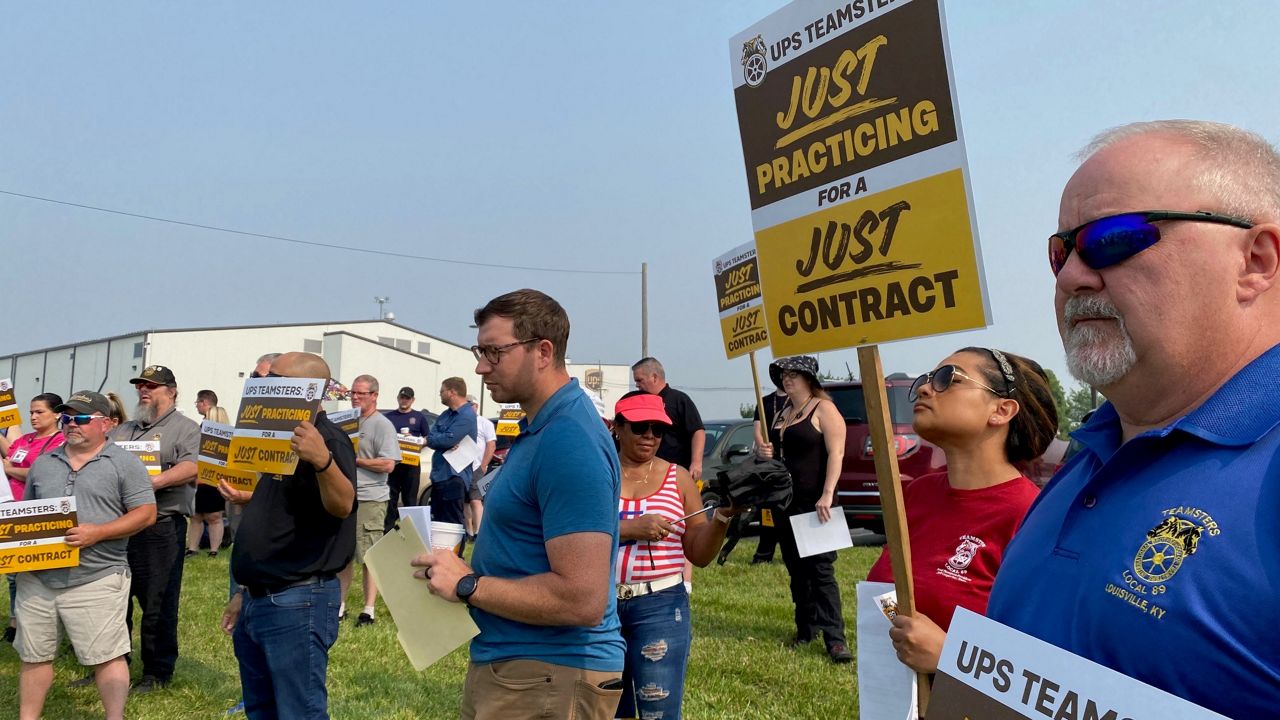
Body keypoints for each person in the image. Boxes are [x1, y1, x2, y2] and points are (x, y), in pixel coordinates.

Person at [984, 120, 1280, 718]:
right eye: (1060, 251)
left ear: (1257, 260)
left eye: (1114, 239)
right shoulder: (1090, 454)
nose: (1071, 277)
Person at [413, 289, 625, 720]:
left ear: (542, 352)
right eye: (480, 350)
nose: (480, 366)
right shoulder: (541, 429)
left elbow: (582, 598)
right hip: (527, 670)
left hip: (550, 673)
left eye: (494, 352)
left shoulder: (569, 438)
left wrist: (469, 584)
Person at [866, 348, 1057, 673]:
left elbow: (1047, 661)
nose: (925, 388)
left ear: (1002, 410)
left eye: (946, 379)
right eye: (925, 380)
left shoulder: (1034, 517)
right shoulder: (918, 494)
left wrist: (950, 657)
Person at [218, 351, 358, 720]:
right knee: (262, 709)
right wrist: (243, 592)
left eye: (270, 379)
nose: (259, 385)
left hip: (298, 599)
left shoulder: (329, 439)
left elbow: (344, 504)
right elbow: (287, 502)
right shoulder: (279, 436)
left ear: (306, 389)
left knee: (299, 711)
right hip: (260, 597)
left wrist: (321, 460)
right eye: (259, 377)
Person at [16, 391, 156, 720]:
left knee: (107, 655)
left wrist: (98, 532)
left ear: (106, 424)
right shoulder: (43, 462)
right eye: (66, 418)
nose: (71, 425)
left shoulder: (124, 463)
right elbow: (25, 515)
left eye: (80, 419)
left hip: (96, 575)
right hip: (38, 578)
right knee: (34, 655)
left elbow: (146, 513)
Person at [612, 392, 743, 719]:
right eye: (641, 427)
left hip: (660, 604)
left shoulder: (678, 477)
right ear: (618, 427)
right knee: (608, 707)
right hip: (598, 603)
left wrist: (724, 517)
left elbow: (698, 553)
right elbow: (574, 531)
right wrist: (629, 529)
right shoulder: (598, 472)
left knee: (659, 707)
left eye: (658, 430)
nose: (650, 437)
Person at [757, 355, 851, 663]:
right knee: (796, 569)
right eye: (784, 374)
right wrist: (768, 450)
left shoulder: (824, 408)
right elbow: (779, 453)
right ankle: (805, 628)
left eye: (794, 374)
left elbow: (836, 453)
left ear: (808, 378)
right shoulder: (783, 412)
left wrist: (827, 494)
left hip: (816, 502)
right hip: (786, 501)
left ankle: (835, 639)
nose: (787, 379)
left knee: (821, 571)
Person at [113, 364, 200, 693]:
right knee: (115, 600)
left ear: (171, 391)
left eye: (151, 386)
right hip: (120, 526)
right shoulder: (124, 430)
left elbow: (192, 466)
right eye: (140, 385)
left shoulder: (185, 428)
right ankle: (112, 665)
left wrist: (152, 482)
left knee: (157, 602)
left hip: (160, 525)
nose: (144, 391)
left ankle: (156, 672)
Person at [3, 393, 67, 642]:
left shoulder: (60, 441)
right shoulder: (26, 439)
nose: (33, 417)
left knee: (38, 572)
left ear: (57, 414)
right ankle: (15, 621)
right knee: (13, 573)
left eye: (39, 412)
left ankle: (46, 624)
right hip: (13, 509)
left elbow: (41, 472)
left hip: (39, 512)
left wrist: (10, 469)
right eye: (31, 412)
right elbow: (10, 458)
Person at [337, 374, 400, 626]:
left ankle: (368, 609)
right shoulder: (349, 422)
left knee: (368, 555)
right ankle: (340, 605)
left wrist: (356, 460)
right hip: (347, 496)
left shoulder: (382, 425)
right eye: (353, 393)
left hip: (371, 498)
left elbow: (388, 464)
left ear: (374, 395)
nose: (355, 397)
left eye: (361, 393)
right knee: (344, 554)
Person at [631, 358, 705, 481]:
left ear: (654, 377)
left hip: (675, 474)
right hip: (647, 474)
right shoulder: (641, 404)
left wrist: (696, 463)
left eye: (639, 380)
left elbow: (697, 431)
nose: (637, 385)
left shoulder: (678, 400)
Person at [424, 377, 476, 528]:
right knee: (438, 525)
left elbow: (444, 440)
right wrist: (442, 440)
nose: (439, 394)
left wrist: (442, 440)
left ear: (452, 392)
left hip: (454, 476)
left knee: (452, 525)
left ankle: (456, 552)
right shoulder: (445, 415)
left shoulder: (466, 415)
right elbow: (432, 437)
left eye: (442, 391)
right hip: (439, 475)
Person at [382, 386, 432, 533]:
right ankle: (389, 531)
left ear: (412, 400)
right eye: (402, 397)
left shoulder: (419, 417)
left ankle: (410, 532)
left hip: (411, 464)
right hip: (395, 464)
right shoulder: (389, 417)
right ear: (398, 398)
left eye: (407, 398)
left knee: (410, 500)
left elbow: (428, 438)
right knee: (391, 499)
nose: (404, 400)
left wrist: (416, 442)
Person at [186, 406, 230, 558]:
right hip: (199, 480)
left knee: (214, 516)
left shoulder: (228, 439)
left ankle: (214, 549)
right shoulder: (198, 436)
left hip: (215, 481)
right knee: (196, 516)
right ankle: (192, 548)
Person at [464, 395, 496, 537]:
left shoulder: (485, 423)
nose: (468, 407)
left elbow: (491, 444)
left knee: (476, 499)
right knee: (464, 501)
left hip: (476, 466)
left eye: (470, 404)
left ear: (476, 406)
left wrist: (484, 465)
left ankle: (479, 532)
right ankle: (468, 531)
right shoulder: (462, 421)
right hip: (462, 466)